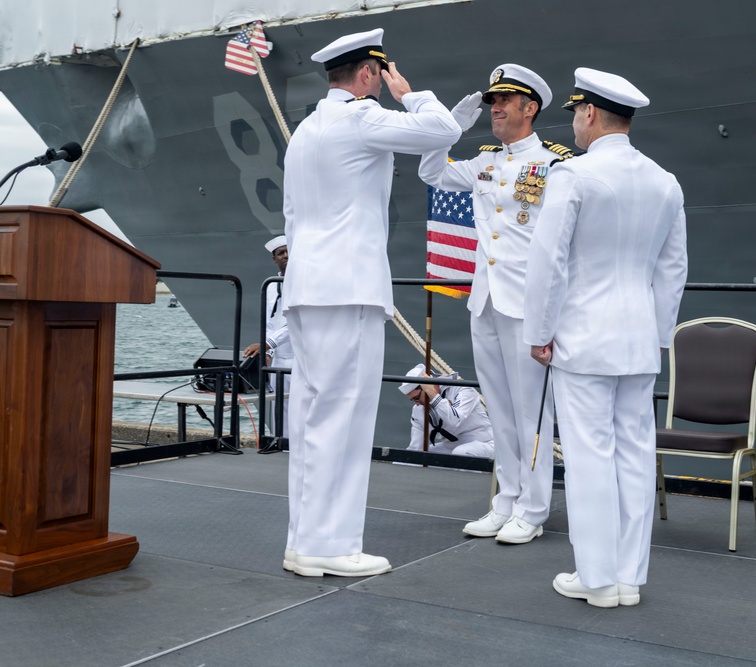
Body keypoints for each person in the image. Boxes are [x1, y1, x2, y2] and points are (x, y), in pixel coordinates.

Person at [280, 28, 461, 577]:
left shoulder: (307, 130)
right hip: (349, 291)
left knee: (311, 416)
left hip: (307, 291)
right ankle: (332, 546)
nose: (383, 86)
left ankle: (305, 540)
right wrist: (411, 94)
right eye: (380, 77)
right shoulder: (359, 118)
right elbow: (443, 128)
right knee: (346, 418)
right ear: (367, 74)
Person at [523, 68, 688, 608]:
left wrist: (540, 333)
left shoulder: (574, 176)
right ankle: (628, 578)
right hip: (638, 341)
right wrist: (658, 334)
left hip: (583, 338)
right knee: (636, 456)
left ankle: (595, 578)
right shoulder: (665, 181)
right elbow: (672, 269)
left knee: (591, 455)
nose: (573, 122)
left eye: (574, 112)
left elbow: (548, 263)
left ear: (590, 113)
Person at [418, 64, 572, 545]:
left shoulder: (556, 165)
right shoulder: (484, 162)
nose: (495, 108)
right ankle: (505, 501)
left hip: (528, 306)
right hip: (484, 302)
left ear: (531, 108)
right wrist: (451, 128)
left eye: (505, 101)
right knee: (500, 409)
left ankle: (533, 507)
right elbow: (431, 173)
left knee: (532, 414)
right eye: (491, 101)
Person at [244, 236, 292, 436]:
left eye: (289, 251)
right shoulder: (271, 286)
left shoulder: (305, 285)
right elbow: (268, 323)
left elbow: (297, 324)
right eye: (281, 253)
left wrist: (267, 343)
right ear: (275, 259)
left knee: (299, 409)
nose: (286, 256)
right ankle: (278, 447)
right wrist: (268, 350)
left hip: (299, 358)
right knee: (277, 408)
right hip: (276, 359)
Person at [399, 364, 495, 458]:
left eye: (416, 398)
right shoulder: (418, 411)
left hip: (484, 443)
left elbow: (455, 420)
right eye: (412, 400)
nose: (417, 403)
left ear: (428, 386)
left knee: (461, 453)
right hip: (451, 448)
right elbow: (416, 449)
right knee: (420, 457)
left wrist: (433, 395)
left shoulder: (463, 390)